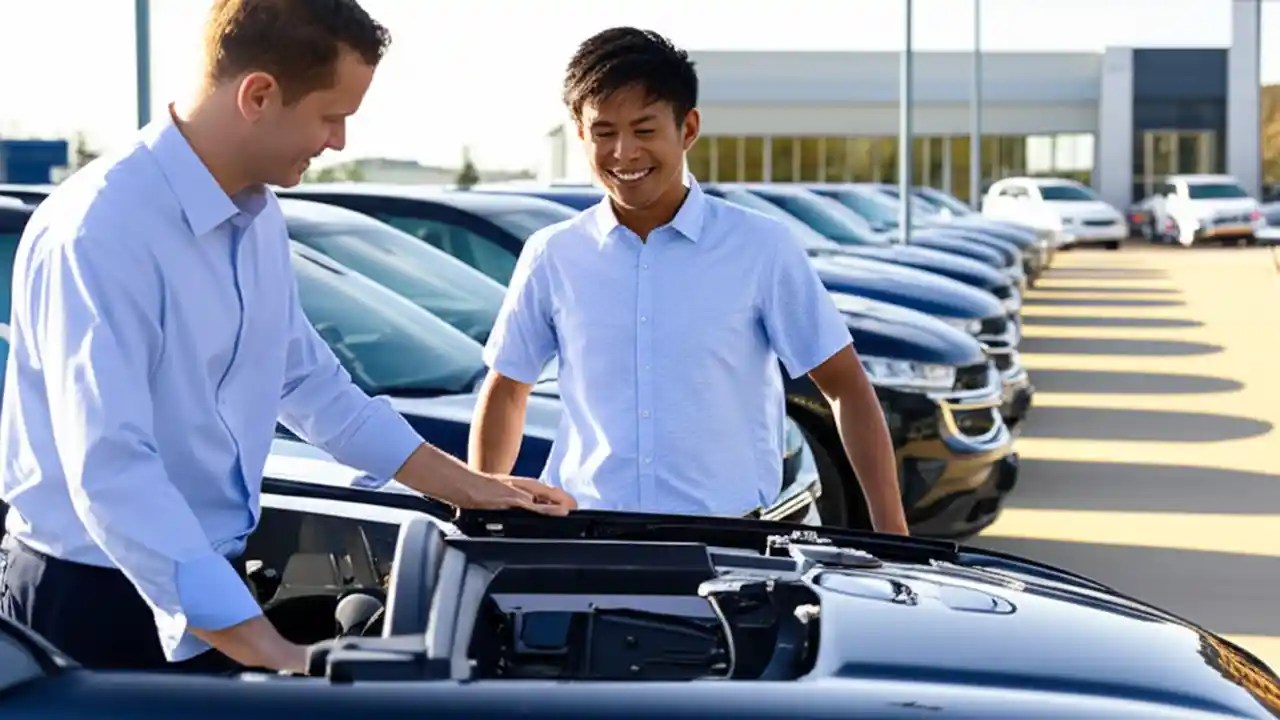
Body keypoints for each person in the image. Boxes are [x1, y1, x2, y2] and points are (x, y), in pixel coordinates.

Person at [0, 0, 574, 676]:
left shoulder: (258, 214)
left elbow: (307, 382)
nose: (338, 143)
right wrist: (268, 648)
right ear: (260, 95)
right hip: (95, 605)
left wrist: (469, 486)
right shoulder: (104, 229)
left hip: (209, 597)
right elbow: (112, 469)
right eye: (332, 117)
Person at [469, 27, 908, 534]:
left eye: (644, 130)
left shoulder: (761, 247)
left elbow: (846, 388)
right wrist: (483, 512)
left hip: (733, 547)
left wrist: (892, 534)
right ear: (581, 132)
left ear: (689, 128)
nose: (624, 152)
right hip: (588, 542)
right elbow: (506, 390)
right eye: (605, 132)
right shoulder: (552, 254)